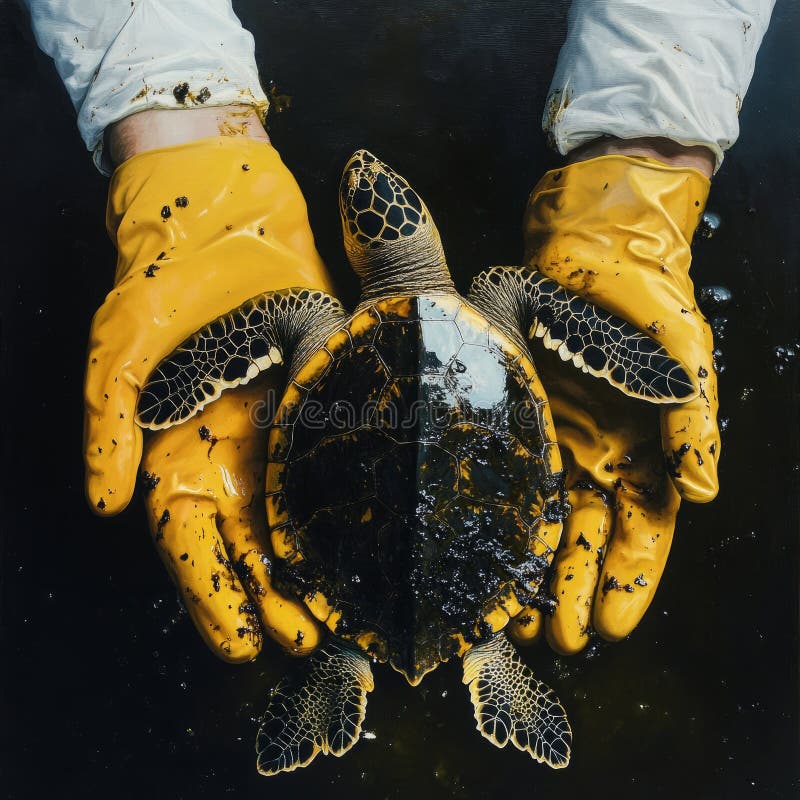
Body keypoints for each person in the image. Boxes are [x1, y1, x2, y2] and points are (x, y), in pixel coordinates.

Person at [24, 0, 775, 662]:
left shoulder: (314, 320)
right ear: (419, 235)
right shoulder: (499, 296)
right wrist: (166, 107)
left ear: (361, 242)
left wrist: (652, 144)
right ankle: (473, 658)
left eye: (363, 201)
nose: (359, 178)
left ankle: (379, 664)